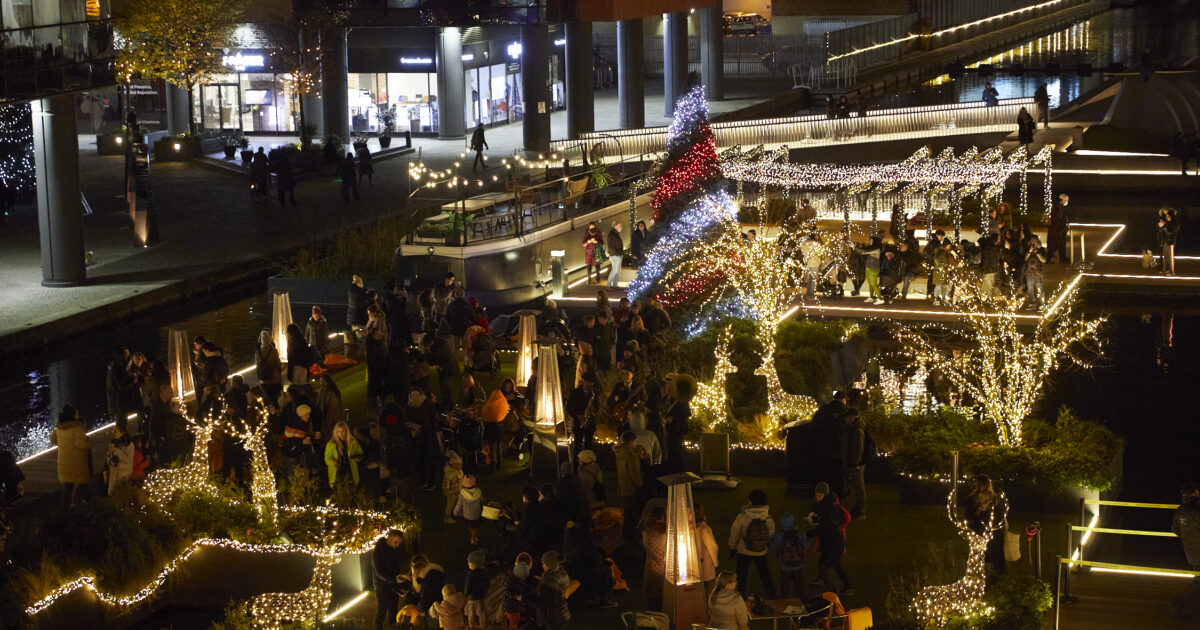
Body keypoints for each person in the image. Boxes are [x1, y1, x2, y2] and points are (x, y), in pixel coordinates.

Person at [728, 488, 776, 597]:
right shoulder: (767, 518)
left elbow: (734, 532)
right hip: (761, 551)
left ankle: (740, 597)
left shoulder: (743, 516)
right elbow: (771, 533)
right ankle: (772, 596)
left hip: (743, 550)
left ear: (750, 501)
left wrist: (732, 547)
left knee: (741, 576)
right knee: (764, 574)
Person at [812, 481, 852, 594]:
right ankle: (829, 586)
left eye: (820, 495)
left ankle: (837, 589)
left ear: (825, 495)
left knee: (832, 564)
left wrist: (808, 534)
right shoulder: (825, 506)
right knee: (825, 563)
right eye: (816, 495)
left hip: (834, 542)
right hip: (830, 541)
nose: (817, 497)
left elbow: (826, 527)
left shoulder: (829, 509)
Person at [962, 475, 1006, 577]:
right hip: (983, 532)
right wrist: (979, 510)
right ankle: (985, 576)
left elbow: (1000, 515)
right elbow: (968, 516)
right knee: (983, 556)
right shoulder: (973, 498)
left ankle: (991, 576)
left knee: (989, 555)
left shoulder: (994, 499)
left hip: (989, 533)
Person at [50, 404, 91, 508]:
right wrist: (88, 441)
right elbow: (81, 444)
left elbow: (53, 439)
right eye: (76, 413)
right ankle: (88, 503)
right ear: (73, 414)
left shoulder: (60, 428)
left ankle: (66, 508)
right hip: (77, 462)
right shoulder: (76, 428)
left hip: (64, 462)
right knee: (83, 484)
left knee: (67, 486)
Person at [1170, 482, 1200, 619]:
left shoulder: (1180, 510)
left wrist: (1188, 537)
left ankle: (1181, 604)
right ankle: (1180, 604)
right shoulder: (1197, 509)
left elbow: (1175, 529)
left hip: (1191, 550)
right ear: (1195, 493)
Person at [372, 530, 409, 630]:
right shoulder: (379, 552)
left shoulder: (396, 549)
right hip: (382, 585)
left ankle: (392, 627)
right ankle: (378, 627)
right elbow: (379, 572)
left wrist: (401, 584)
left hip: (393, 583)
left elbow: (398, 565)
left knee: (393, 609)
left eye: (399, 543)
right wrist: (395, 579)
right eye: (395, 542)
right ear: (389, 539)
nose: (398, 545)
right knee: (382, 609)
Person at [614, 431, 645, 543]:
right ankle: (630, 536)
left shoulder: (620, 451)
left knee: (626, 511)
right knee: (631, 513)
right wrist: (640, 485)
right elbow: (634, 472)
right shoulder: (631, 456)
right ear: (632, 441)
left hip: (623, 484)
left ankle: (624, 534)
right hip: (631, 487)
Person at [771, 512, 810, 598]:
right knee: (799, 584)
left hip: (784, 566)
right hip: (798, 564)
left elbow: (773, 547)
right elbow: (806, 545)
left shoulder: (780, 535)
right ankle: (802, 601)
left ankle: (784, 602)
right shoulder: (798, 534)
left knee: (785, 585)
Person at [842, 408, 866, 520]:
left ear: (853, 418)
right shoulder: (853, 429)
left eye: (848, 417)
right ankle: (858, 509)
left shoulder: (857, 430)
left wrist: (855, 462)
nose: (846, 419)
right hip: (853, 462)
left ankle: (860, 510)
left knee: (859, 487)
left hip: (855, 464)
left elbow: (858, 448)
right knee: (857, 486)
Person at [324, 421, 363, 490]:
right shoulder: (331, 444)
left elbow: (360, 452)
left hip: (350, 471)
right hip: (337, 472)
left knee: (351, 490)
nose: (341, 434)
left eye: (343, 431)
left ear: (346, 431)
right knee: (339, 492)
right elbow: (327, 457)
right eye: (338, 432)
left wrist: (358, 457)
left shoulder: (353, 442)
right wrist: (333, 462)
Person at [696, 503, 721, 594]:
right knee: (709, 589)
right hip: (706, 564)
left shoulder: (691, 529)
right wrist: (715, 562)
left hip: (697, 563)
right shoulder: (704, 529)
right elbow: (712, 547)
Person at [105, 421, 134, 496]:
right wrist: (110, 461)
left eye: (116, 431)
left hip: (123, 475)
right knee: (112, 495)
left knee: (122, 496)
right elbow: (108, 456)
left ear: (122, 432)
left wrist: (117, 451)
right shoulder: (112, 442)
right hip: (113, 473)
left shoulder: (129, 445)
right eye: (113, 431)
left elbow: (129, 461)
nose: (113, 433)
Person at [454, 474, 484, 545]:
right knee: (476, 526)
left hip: (467, 515)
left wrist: (456, 512)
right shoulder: (479, 492)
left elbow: (459, 504)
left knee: (471, 527)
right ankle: (474, 537)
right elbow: (482, 502)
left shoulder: (462, 494)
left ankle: (473, 538)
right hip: (477, 514)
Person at [255, 329, 283, 405]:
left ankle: (270, 412)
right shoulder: (273, 351)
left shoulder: (258, 352)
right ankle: (277, 411)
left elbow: (257, 365)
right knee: (277, 398)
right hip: (274, 378)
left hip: (264, 379)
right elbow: (278, 364)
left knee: (267, 398)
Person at [463, 549, 488, 630]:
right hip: (482, 597)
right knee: (482, 613)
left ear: (475, 564)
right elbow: (488, 583)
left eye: (469, 562)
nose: (468, 563)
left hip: (472, 598)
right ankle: (482, 626)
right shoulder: (484, 572)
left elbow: (468, 587)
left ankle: (471, 626)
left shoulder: (470, 575)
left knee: (471, 613)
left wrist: (465, 594)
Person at [1046, 193, 1071, 264]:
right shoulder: (1056, 208)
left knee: (1060, 245)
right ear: (1062, 200)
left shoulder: (1058, 207)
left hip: (1059, 230)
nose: (1067, 201)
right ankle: (1050, 259)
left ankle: (1062, 258)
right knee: (1055, 245)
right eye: (1066, 200)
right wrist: (1064, 224)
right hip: (1057, 231)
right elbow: (1056, 220)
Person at [1024, 236, 1046, 308]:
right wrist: (1029, 252)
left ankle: (1042, 304)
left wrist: (1038, 253)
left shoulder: (1041, 249)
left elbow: (1044, 260)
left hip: (1038, 272)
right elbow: (1024, 259)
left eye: (1035, 241)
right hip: (1029, 272)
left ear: (1037, 241)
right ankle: (1032, 303)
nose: (1033, 242)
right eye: (1032, 241)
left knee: (1039, 288)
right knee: (1030, 288)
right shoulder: (1027, 249)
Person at [443, 451, 464, 525]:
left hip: (458, 491)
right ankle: (447, 517)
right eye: (458, 464)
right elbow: (445, 483)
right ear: (453, 464)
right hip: (452, 492)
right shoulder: (450, 473)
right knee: (450, 504)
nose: (460, 466)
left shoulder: (459, 471)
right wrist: (447, 491)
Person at [1158, 207, 1180, 275]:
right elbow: (1162, 231)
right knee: (1166, 256)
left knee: (1170, 257)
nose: (1167, 217)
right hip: (1165, 241)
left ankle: (1171, 271)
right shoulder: (1167, 223)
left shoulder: (1174, 223)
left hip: (1171, 242)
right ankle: (1166, 269)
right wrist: (1161, 226)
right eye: (1166, 216)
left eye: (1168, 216)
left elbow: (1170, 232)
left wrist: (1163, 227)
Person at [606, 221, 624, 288]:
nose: (621, 227)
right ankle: (608, 286)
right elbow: (610, 246)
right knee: (614, 271)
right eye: (620, 226)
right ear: (615, 226)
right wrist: (616, 253)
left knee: (617, 271)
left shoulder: (615, 234)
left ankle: (615, 285)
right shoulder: (612, 234)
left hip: (617, 254)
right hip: (615, 255)